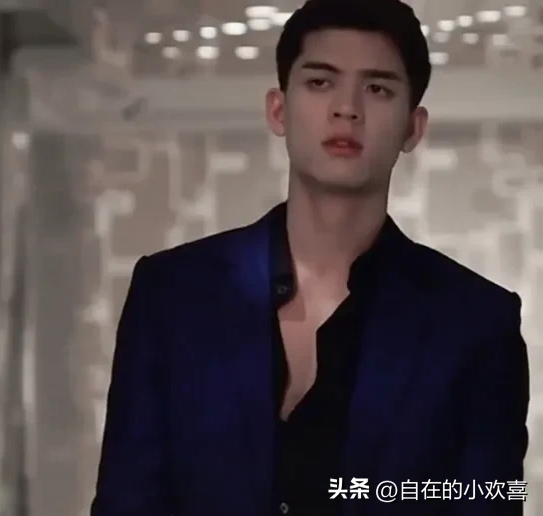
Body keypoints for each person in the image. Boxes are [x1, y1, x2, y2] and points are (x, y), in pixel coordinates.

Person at [90, 0, 530, 515]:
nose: (347, 108)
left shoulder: (476, 324)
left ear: (413, 128)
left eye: (378, 88)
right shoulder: (172, 294)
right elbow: (126, 500)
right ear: (278, 110)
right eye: (320, 82)